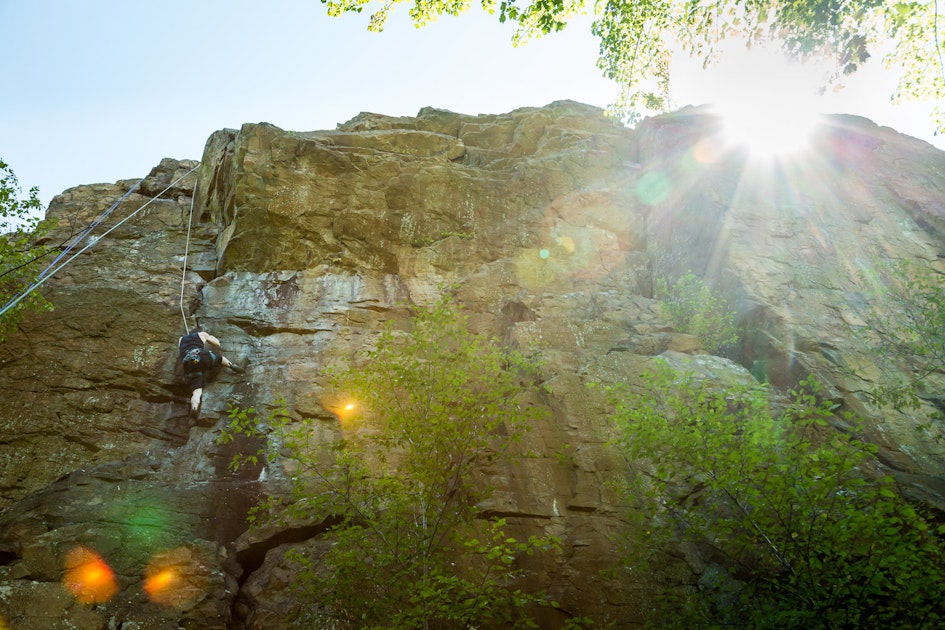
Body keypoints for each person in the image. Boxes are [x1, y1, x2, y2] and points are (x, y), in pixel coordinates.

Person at [178, 330, 243, 414]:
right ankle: (231, 365)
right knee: (219, 358)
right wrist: (211, 337)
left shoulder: (181, 339)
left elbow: (181, 352)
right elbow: (217, 344)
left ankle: (194, 408)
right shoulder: (202, 334)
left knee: (197, 391)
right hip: (201, 355)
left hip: (189, 364)